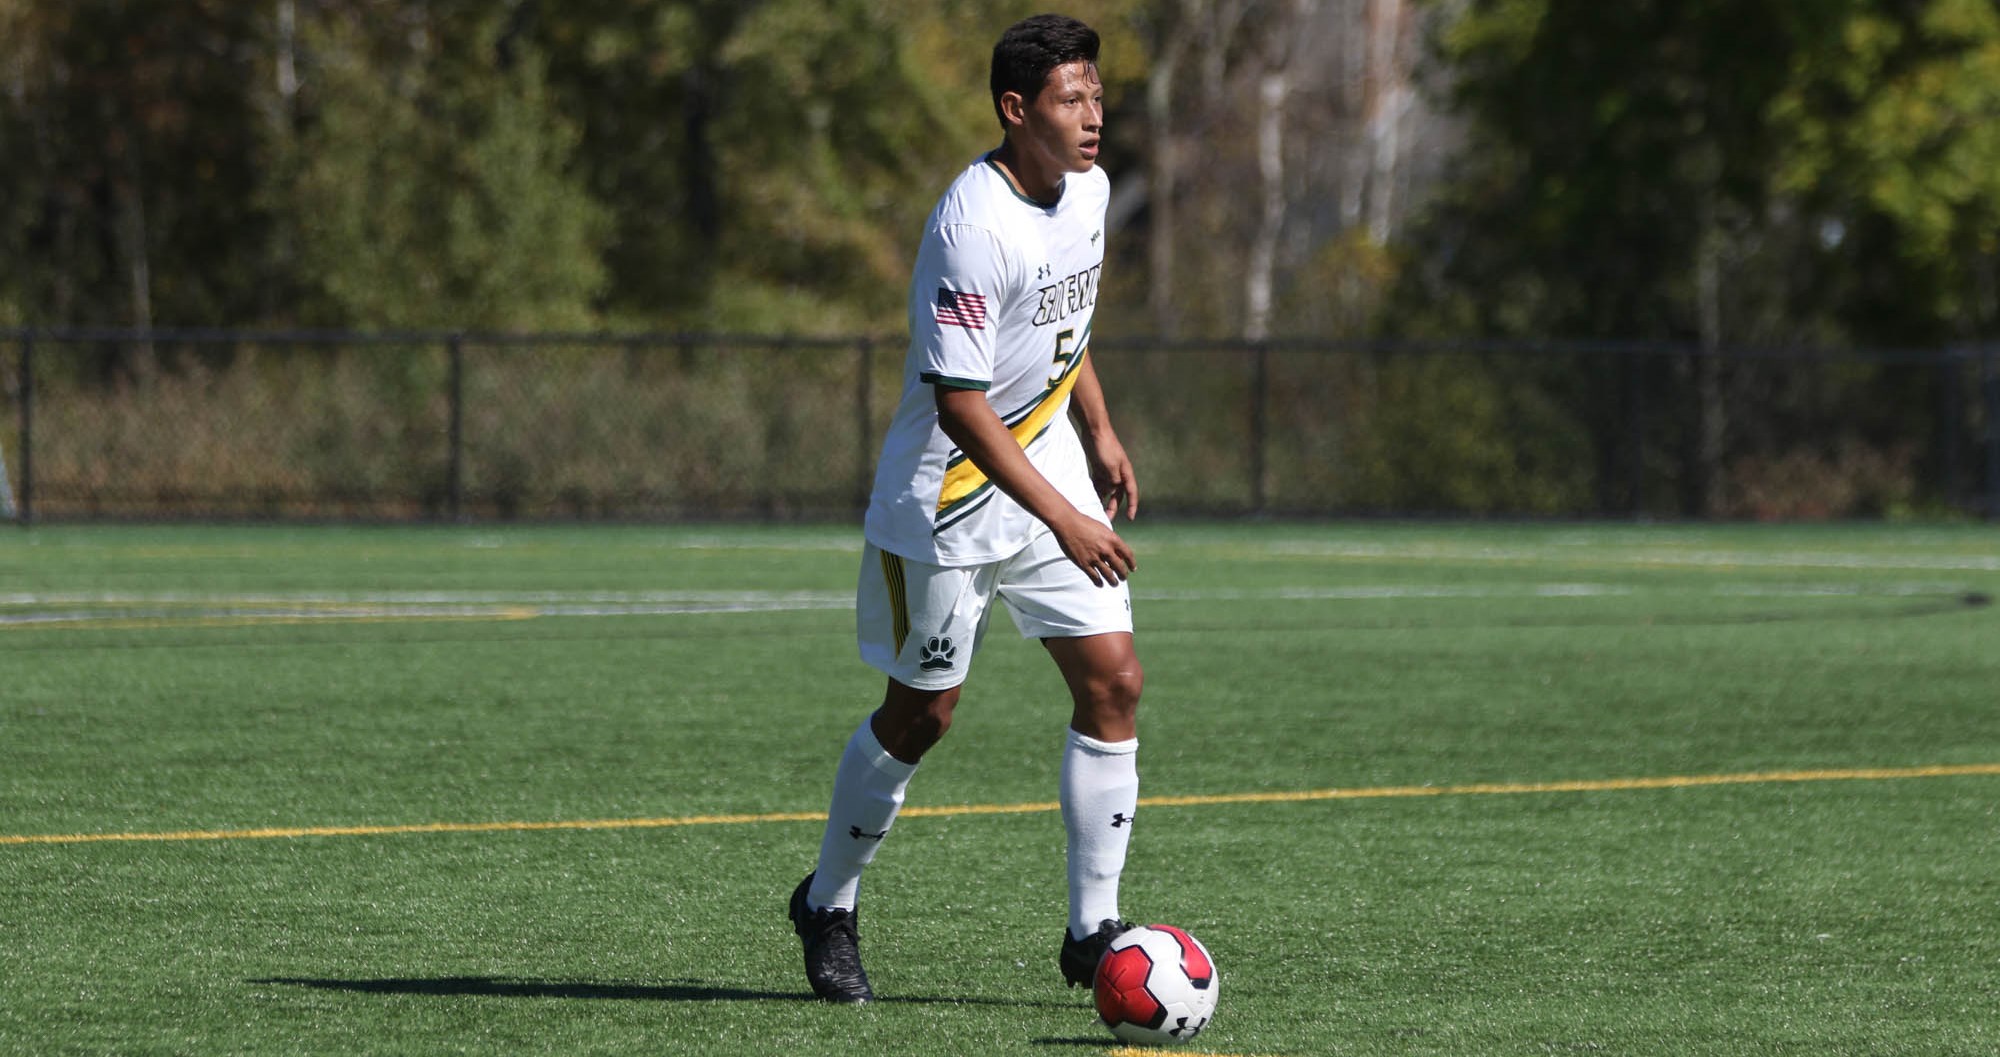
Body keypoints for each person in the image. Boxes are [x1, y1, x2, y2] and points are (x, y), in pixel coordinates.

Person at [787, 13, 1144, 1004]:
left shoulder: (1092, 192)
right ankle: (827, 902)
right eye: (1072, 99)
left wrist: (1099, 428)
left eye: (1097, 96)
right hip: (945, 497)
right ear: (1014, 108)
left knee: (1112, 681)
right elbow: (960, 403)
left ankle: (1092, 931)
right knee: (922, 715)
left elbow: (1064, 321)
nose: (1092, 118)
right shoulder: (969, 225)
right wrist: (1065, 520)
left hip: (1047, 467)